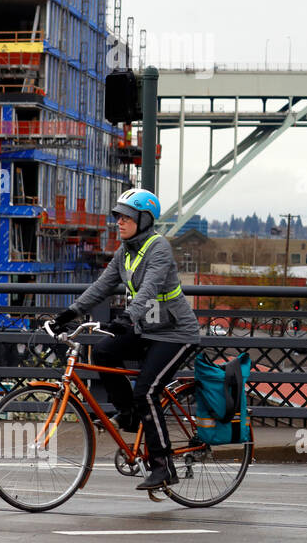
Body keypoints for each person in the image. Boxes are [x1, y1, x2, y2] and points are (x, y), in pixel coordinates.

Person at [51, 189, 199, 491]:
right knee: (104, 353)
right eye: (117, 216)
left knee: (146, 391)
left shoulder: (158, 248)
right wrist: (68, 313)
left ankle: (163, 466)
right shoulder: (125, 252)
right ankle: (130, 418)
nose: (119, 221)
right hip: (147, 329)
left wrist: (127, 317)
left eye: (126, 216)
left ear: (144, 220)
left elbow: (149, 289)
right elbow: (102, 286)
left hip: (176, 333)